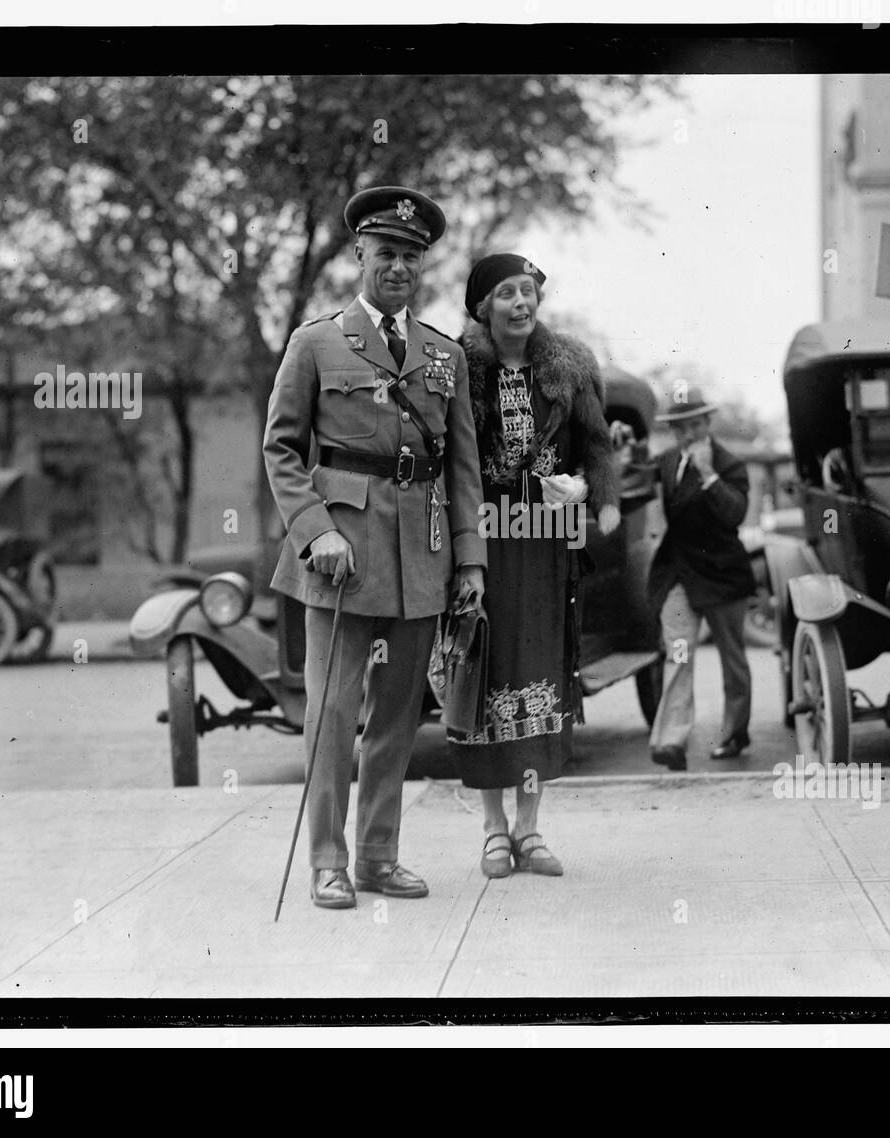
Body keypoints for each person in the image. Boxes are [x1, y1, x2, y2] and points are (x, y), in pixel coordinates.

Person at [263, 185, 486, 910]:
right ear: (360, 253)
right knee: (331, 714)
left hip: (421, 555)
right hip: (342, 555)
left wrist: (471, 562)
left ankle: (379, 858)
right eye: (386, 252)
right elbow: (283, 450)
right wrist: (316, 530)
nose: (398, 267)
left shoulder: (443, 355)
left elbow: (463, 471)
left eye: (411, 257)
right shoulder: (316, 342)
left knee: (397, 718)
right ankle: (327, 861)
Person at [450, 253, 620, 879]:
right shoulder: (458, 371)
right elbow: (447, 464)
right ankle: (494, 830)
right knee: (488, 676)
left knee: (543, 674)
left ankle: (531, 828)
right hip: (484, 544)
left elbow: (596, 448)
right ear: (481, 308)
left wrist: (582, 489)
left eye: (529, 292)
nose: (521, 303)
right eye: (506, 294)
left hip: (547, 543)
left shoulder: (571, 365)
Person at [647, 388, 755, 771]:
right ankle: (672, 741)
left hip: (723, 577)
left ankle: (733, 734)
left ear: (708, 424)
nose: (686, 434)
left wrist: (709, 475)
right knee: (679, 652)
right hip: (680, 576)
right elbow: (636, 477)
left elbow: (734, 515)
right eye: (679, 428)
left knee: (732, 658)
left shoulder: (730, 465)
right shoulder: (667, 461)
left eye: (694, 425)